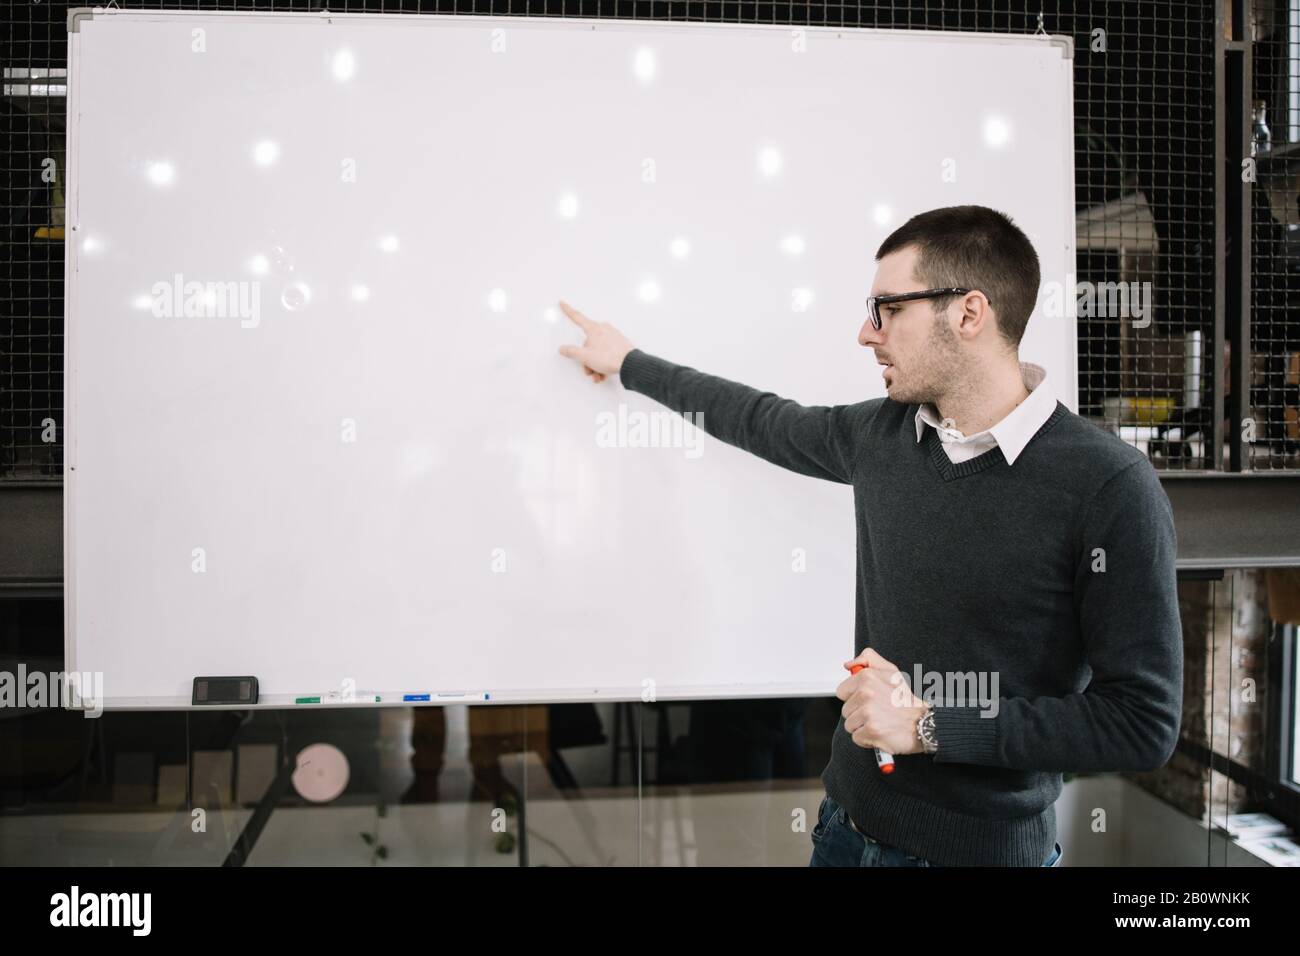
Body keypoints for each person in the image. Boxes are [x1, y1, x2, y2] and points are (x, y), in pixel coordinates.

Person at [557, 205, 1183, 867]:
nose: (866, 333)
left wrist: (931, 725)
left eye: (888, 309)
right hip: (845, 833)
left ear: (969, 314)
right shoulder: (882, 436)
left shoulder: (1108, 485)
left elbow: (1140, 723)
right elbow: (760, 419)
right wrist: (630, 362)